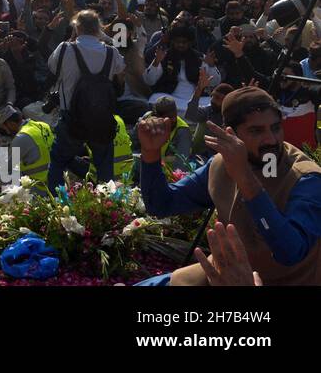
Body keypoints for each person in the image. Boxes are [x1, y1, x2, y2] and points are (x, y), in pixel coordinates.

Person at [137, 86, 321, 285]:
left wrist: (245, 178)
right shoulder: (220, 164)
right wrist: (151, 153)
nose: (271, 139)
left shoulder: (306, 178)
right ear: (230, 134)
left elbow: (290, 252)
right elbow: (161, 204)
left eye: (276, 127)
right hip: (222, 274)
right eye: (256, 131)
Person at [45, 10, 126, 193]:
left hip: (71, 118)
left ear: (77, 27)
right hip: (101, 119)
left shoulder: (65, 48)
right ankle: (107, 205)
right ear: (98, 28)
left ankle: (57, 204)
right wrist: (103, 36)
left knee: (58, 160)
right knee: (105, 165)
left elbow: (51, 68)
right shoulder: (111, 52)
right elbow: (120, 71)